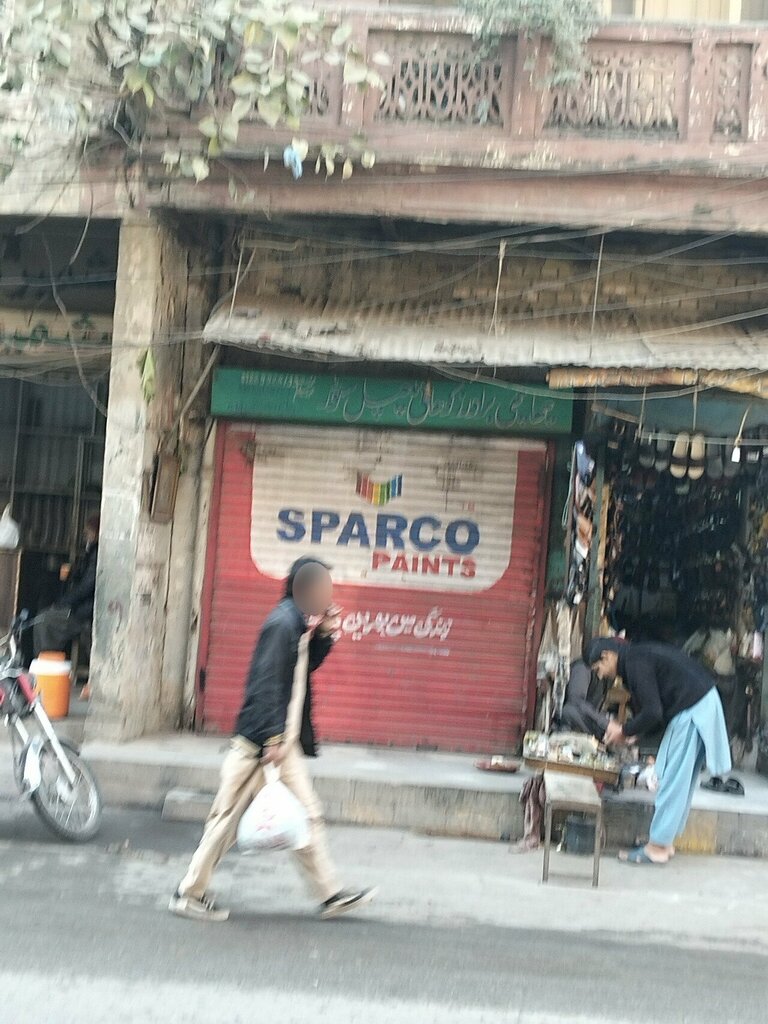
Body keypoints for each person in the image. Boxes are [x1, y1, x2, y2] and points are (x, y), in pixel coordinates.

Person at [169, 557, 375, 922]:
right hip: (261, 746)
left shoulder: (294, 622)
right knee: (226, 822)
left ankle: (330, 894)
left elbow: (301, 667)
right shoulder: (282, 624)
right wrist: (273, 739)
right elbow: (266, 684)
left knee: (308, 816)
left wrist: (325, 632)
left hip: (282, 744)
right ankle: (189, 893)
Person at [585, 637, 731, 865]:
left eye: (599, 668)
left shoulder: (634, 661)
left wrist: (623, 730)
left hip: (693, 709)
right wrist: (635, 733)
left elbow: (653, 711)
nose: (601, 674)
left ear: (607, 655)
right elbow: (656, 711)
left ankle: (657, 847)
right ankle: (664, 840)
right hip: (701, 703)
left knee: (672, 780)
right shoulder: (638, 656)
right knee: (680, 781)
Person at [33, 515, 99, 657]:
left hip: (84, 610)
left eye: (88, 532)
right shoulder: (92, 552)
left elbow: (87, 586)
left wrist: (63, 603)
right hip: (82, 607)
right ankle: (44, 662)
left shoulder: (97, 553)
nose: (86, 536)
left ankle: (47, 664)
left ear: (97, 533)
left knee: (44, 621)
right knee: (43, 617)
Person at [558, 659, 609, 739]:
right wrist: (606, 724)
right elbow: (576, 700)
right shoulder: (582, 668)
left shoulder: (606, 679)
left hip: (587, 730)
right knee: (570, 710)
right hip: (568, 727)